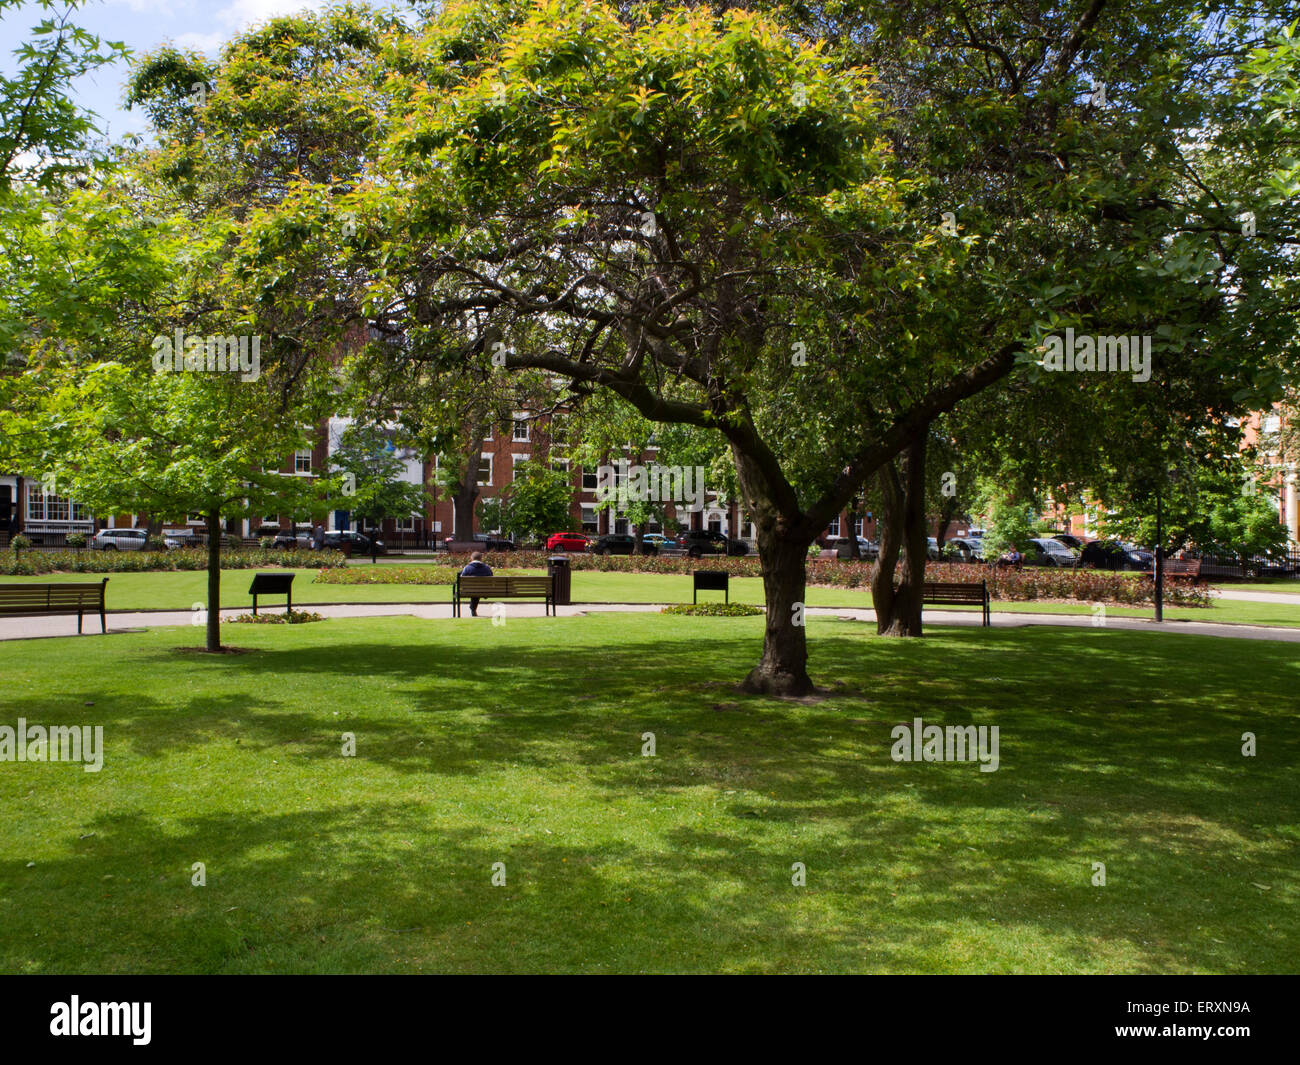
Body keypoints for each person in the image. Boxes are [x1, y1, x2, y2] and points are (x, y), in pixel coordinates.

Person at [460, 551, 493, 616]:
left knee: (475, 590)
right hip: (484, 590)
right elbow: (491, 577)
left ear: (471, 558)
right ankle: (473, 608)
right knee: (478, 589)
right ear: (481, 559)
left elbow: (461, 578)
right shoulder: (486, 568)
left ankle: (473, 608)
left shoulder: (467, 568)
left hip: (469, 590)